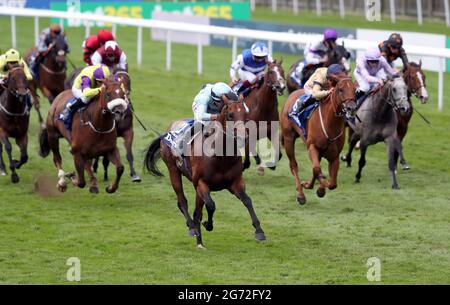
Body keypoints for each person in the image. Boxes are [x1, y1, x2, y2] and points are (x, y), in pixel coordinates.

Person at [172, 82, 236, 157]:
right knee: (202, 123)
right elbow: (201, 116)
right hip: (200, 108)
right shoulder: (203, 99)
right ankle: (181, 142)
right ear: (217, 101)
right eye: (223, 103)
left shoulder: (228, 92)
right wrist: (218, 117)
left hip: (214, 103)